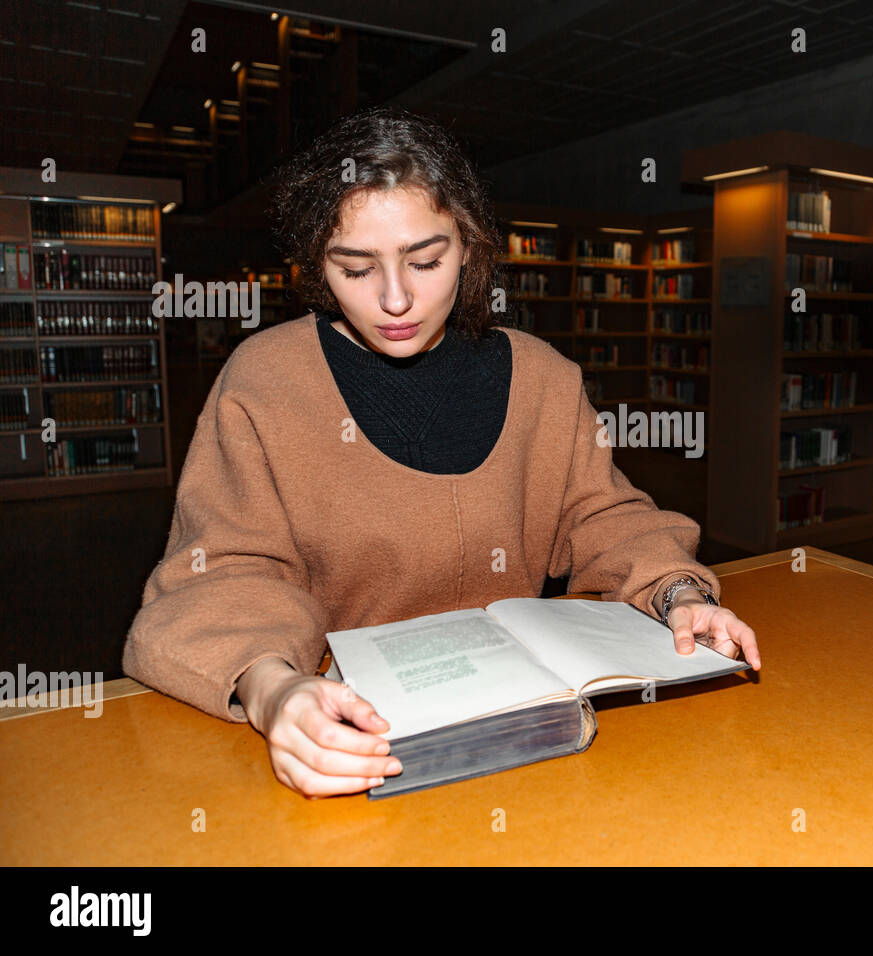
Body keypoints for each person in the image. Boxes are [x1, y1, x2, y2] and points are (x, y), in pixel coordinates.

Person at [123, 105, 760, 798]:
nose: (396, 299)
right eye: (355, 267)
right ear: (315, 264)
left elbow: (602, 516)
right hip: (348, 735)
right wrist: (275, 690)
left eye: (425, 260)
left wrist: (676, 592)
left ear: (470, 245)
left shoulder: (543, 376)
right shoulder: (264, 383)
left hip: (527, 735)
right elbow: (222, 573)